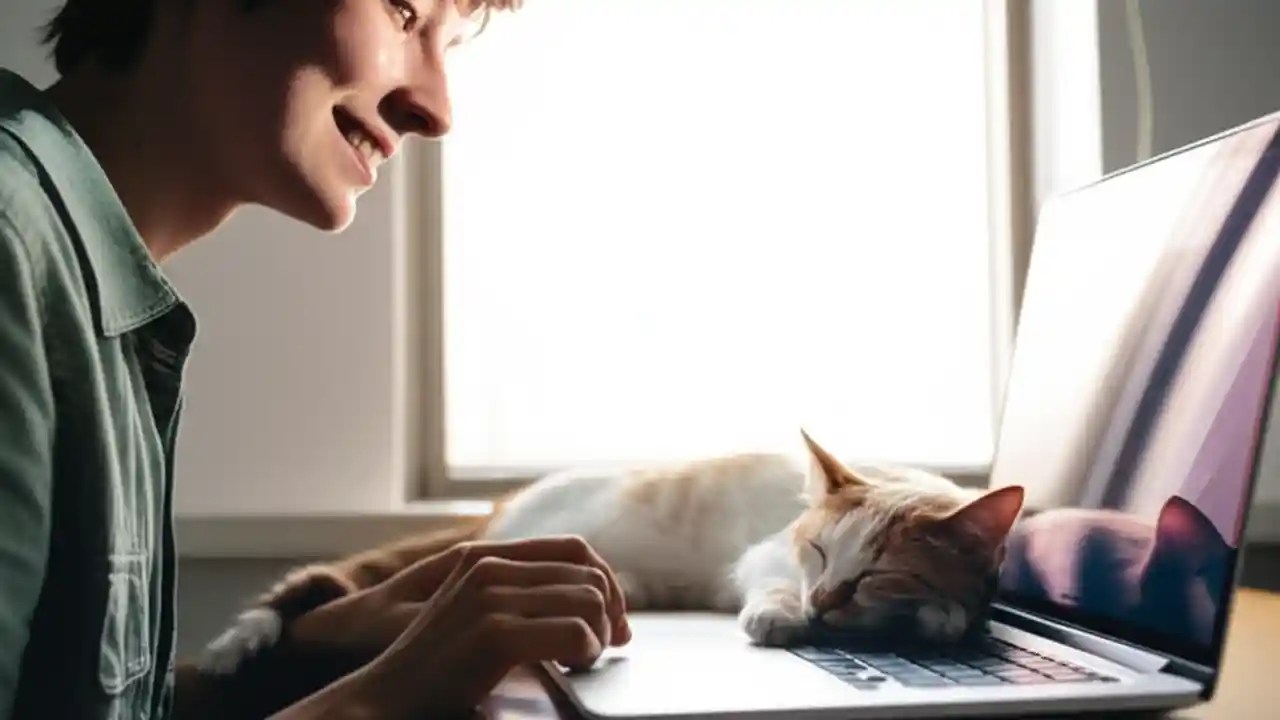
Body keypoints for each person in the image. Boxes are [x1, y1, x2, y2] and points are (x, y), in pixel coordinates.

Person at [0, 1, 632, 718]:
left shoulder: (80, 277)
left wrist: (309, 649)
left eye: (447, 47)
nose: (435, 108)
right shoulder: (12, 252)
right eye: (402, 14)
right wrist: (380, 699)